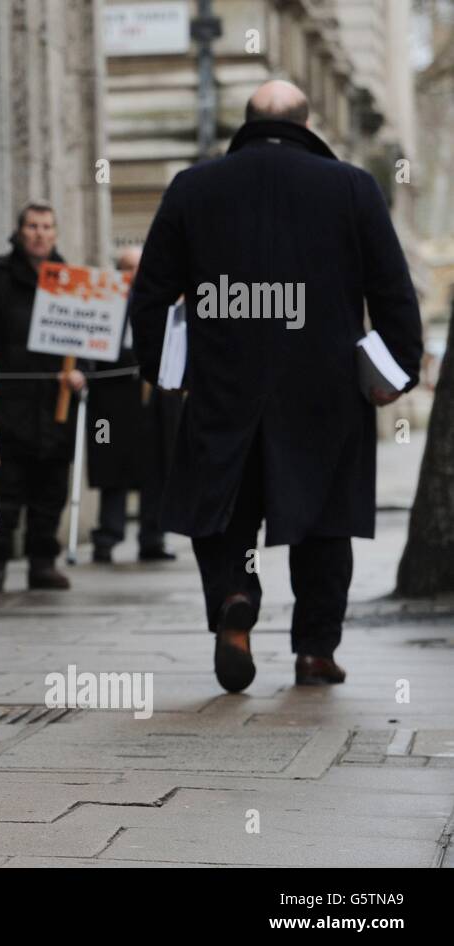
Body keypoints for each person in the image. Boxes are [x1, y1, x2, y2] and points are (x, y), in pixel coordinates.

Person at [130, 80, 424, 691]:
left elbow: (151, 293)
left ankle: (236, 598)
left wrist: (167, 369)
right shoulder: (351, 186)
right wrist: (399, 369)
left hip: (222, 383)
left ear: (246, 121)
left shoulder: (194, 187)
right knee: (323, 521)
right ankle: (316, 649)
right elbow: (392, 290)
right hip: (325, 389)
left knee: (225, 511)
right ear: (307, 121)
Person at [0, 202, 89, 592]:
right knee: (5, 491)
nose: (40, 233)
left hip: (56, 405)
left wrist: (82, 373)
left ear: (55, 234)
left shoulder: (74, 282)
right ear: (20, 232)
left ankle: (43, 563)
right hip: (10, 402)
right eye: (32, 226)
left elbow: (89, 341)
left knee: (51, 491)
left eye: (46, 227)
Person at [87, 246, 176, 564]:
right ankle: (107, 537)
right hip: (113, 396)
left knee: (157, 465)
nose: (136, 275)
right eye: (128, 268)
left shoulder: (163, 297)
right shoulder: (104, 301)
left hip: (154, 395)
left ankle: (153, 536)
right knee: (115, 469)